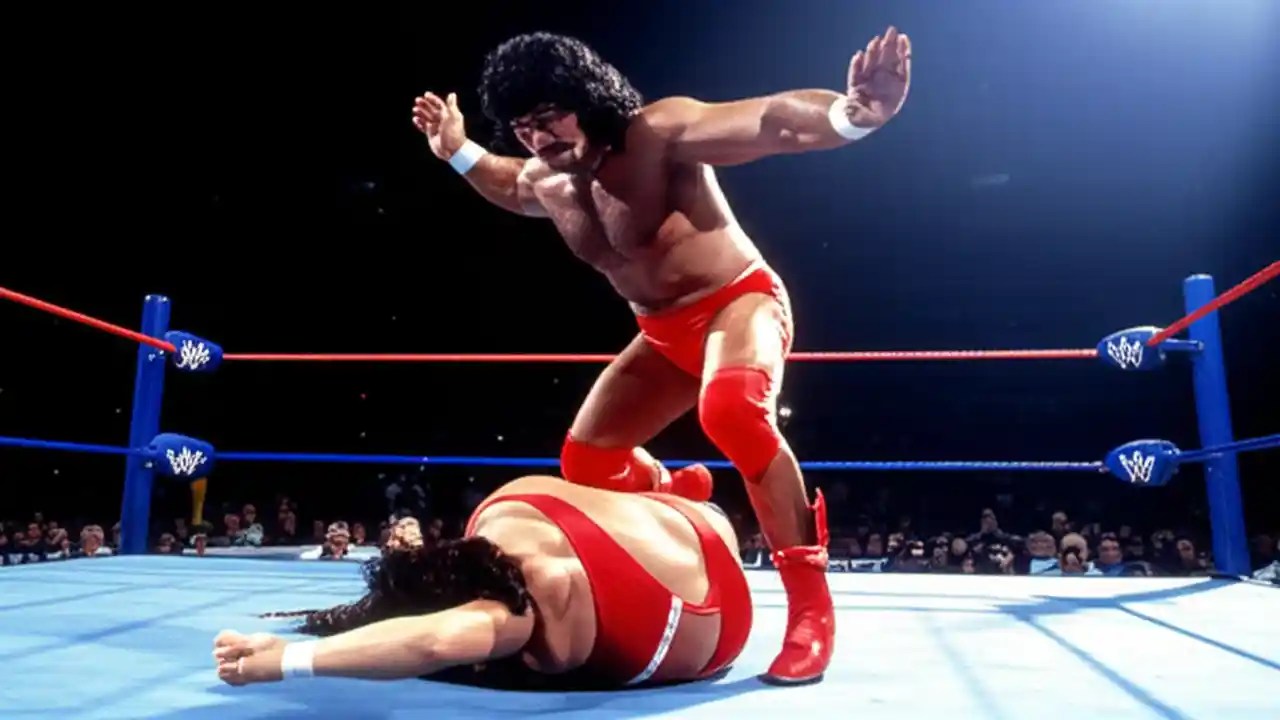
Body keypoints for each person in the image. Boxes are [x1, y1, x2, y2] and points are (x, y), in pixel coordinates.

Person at [409, 26, 910, 684]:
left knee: (732, 412)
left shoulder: (656, 133)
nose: (540, 137)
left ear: (585, 96)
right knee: (585, 459)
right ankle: (675, 492)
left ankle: (811, 614)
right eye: (524, 126)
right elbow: (507, 184)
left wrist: (853, 115)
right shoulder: (545, 179)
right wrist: (457, 150)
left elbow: (766, 122)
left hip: (738, 301)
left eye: (549, 116)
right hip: (663, 332)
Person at [212, 474, 782, 689]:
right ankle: (653, 477)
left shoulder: (519, 612)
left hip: (717, 638)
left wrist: (284, 660)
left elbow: (433, 641)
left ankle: (653, 481)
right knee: (584, 462)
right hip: (706, 528)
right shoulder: (505, 502)